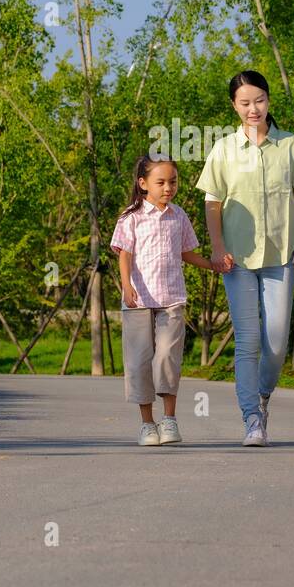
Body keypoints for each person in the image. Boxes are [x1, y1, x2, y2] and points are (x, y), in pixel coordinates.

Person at [197, 71, 294, 446]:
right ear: (234, 105)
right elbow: (212, 203)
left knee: (277, 342)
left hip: (280, 253)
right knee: (248, 341)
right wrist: (216, 248)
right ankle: (252, 418)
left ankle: (263, 395)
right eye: (245, 102)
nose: (253, 109)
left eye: (259, 100)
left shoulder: (290, 145)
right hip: (237, 258)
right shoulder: (223, 149)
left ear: (268, 101)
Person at [110, 156, 220, 446]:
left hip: (171, 298)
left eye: (172, 181)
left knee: (167, 358)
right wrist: (126, 285)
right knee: (139, 362)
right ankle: (147, 424)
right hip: (138, 301)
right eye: (160, 182)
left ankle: (169, 420)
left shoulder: (178, 215)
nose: (168, 187)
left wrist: (213, 264)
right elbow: (124, 254)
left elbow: (186, 252)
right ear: (143, 184)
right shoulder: (131, 217)